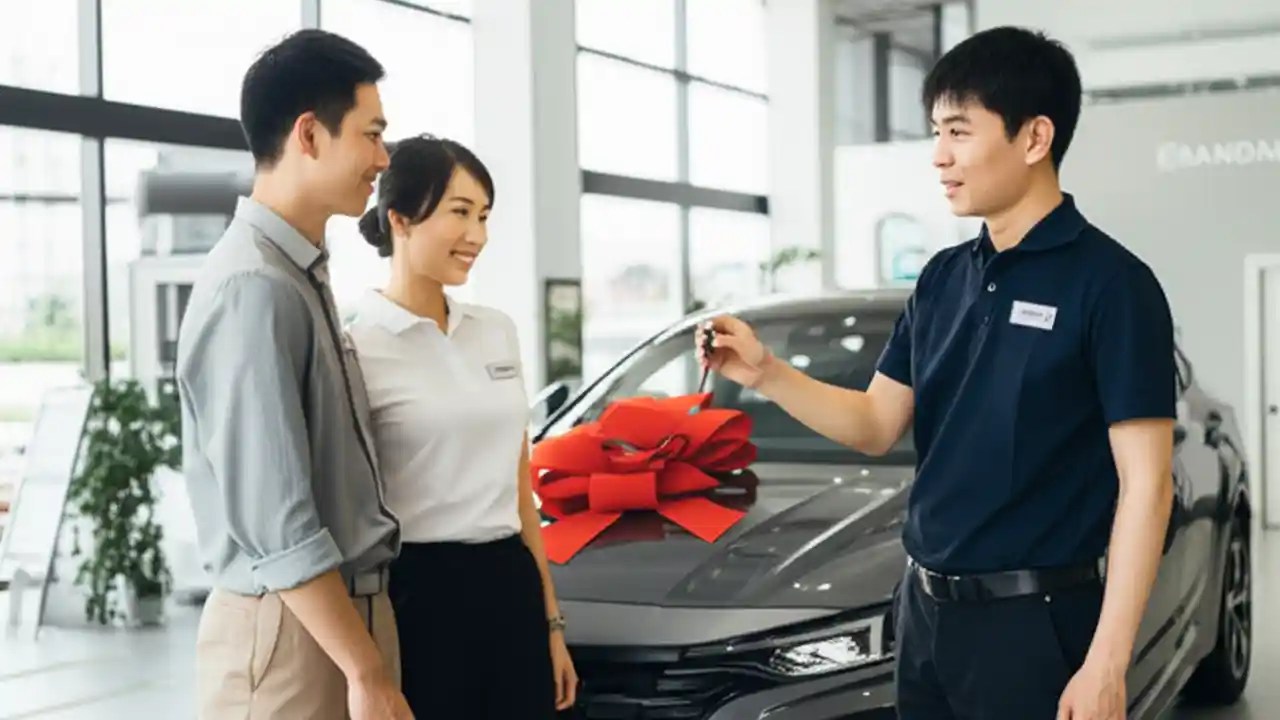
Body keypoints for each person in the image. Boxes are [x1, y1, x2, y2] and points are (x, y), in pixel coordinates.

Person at [699, 26, 1175, 720]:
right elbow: (873, 424)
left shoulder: (1112, 285)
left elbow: (1147, 485)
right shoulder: (941, 280)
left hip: (1035, 625)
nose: (939, 157)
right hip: (924, 619)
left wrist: (1107, 661)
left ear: (1035, 138)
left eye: (958, 130)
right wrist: (765, 371)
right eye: (934, 131)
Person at [175, 29, 412, 720]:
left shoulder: (296, 272)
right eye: (371, 134)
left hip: (340, 622)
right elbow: (279, 526)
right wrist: (366, 671)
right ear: (309, 135)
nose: (382, 157)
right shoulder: (253, 286)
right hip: (294, 632)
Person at [345, 134, 579, 719]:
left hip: (510, 584)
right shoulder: (355, 345)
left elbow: (518, 484)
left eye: (483, 215)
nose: (477, 235)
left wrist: (551, 624)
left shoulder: (495, 329)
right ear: (399, 218)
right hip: (416, 595)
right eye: (459, 213)